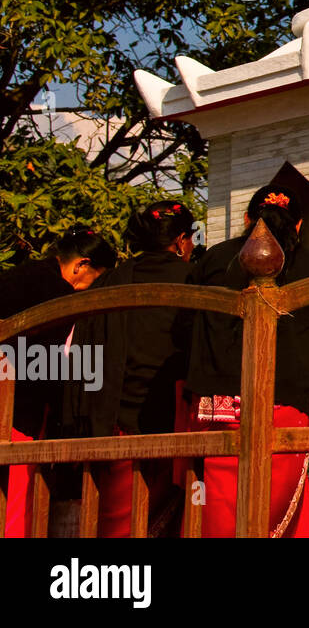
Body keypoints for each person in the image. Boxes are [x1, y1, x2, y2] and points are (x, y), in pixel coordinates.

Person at [185, 184, 309, 538]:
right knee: (274, 511)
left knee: (217, 506)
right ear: (299, 225)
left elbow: (185, 331)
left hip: (218, 406)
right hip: (283, 405)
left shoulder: (214, 260)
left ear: (247, 219)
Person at [65, 201, 197, 537]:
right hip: (180, 425)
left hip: (114, 425)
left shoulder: (111, 282)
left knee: (117, 524)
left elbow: (82, 358)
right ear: (181, 241)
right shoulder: (196, 281)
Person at [0, 227, 117, 538]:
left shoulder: (20, 275)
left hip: (12, 399)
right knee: (18, 498)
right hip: (19, 408)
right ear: (80, 265)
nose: (93, 287)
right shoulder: (59, 295)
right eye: (97, 276)